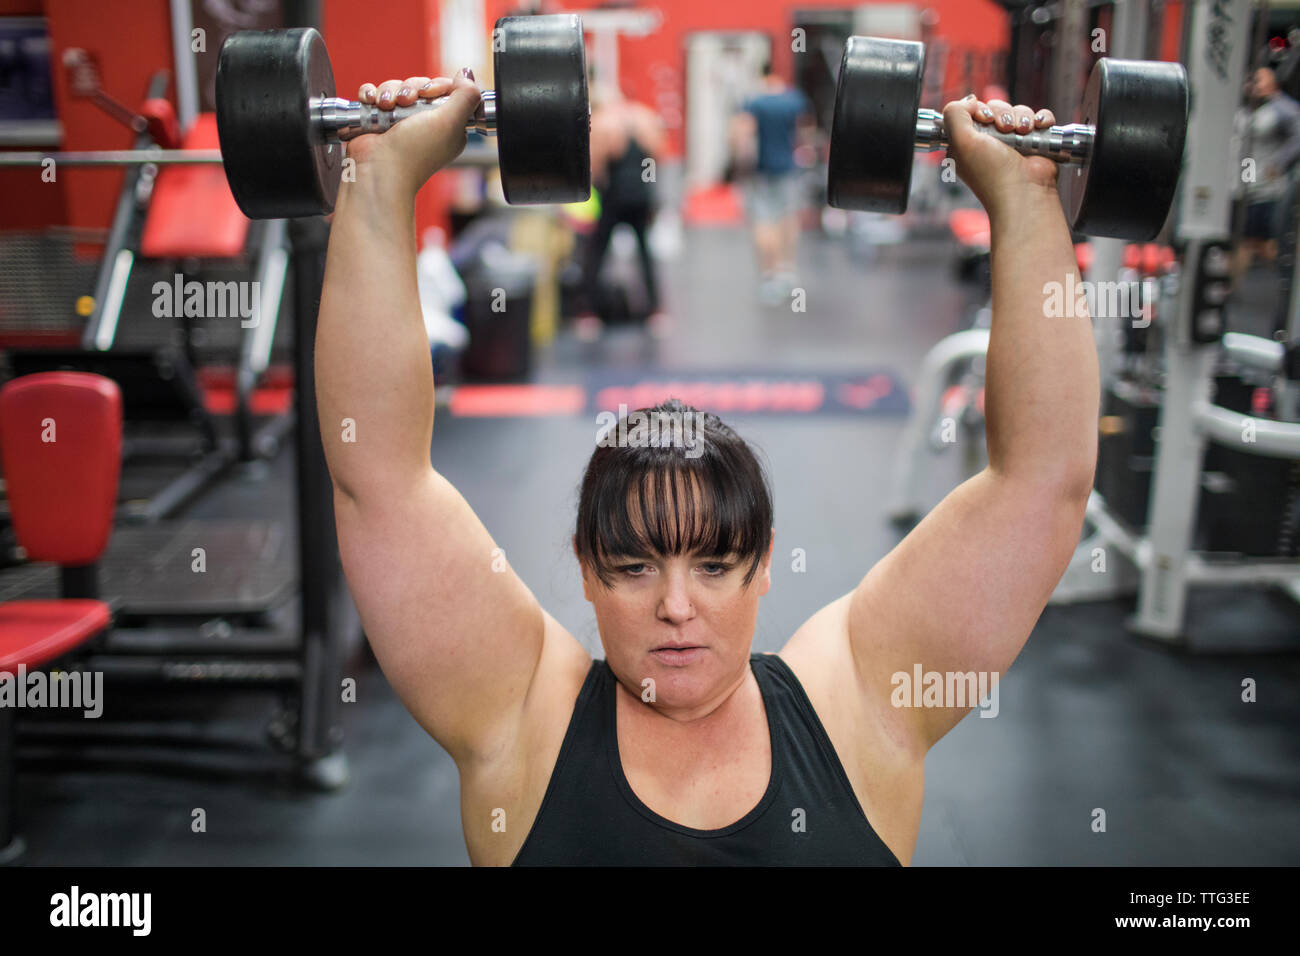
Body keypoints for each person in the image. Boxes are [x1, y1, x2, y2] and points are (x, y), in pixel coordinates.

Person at [320, 71, 1098, 865]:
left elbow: (1043, 483)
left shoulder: (862, 702)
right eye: (634, 566)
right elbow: (377, 478)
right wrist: (378, 178)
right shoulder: (520, 718)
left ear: (762, 566)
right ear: (586, 571)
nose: (677, 607)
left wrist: (1026, 195)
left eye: (716, 563)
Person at [572, 84, 668, 342]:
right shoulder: (646, 117)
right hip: (641, 195)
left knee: (597, 252)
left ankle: (588, 313)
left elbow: (597, 165)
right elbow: (657, 155)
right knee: (645, 252)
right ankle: (655, 311)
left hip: (614, 196)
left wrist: (598, 192)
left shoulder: (604, 121)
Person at [729, 62, 811, 304]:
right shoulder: (794, 99)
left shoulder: (754, 102)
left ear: (762, 76)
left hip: (761, 171)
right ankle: (787, 269)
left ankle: (770, 276)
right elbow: (804, 132)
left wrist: (740, 167)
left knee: (764, 222)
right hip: (788, 168)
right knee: (787, 217)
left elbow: (742, 136)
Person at [1232, 66, 1300, 280]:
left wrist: (1280, 164)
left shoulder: (1280, 109)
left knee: (1263, 243)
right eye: (1254, 81)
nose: (1256, 85)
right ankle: (1229, 290)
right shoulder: (1247, 109)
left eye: (1261, 81)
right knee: (1243, 240)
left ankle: (1288, 281)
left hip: (1267, 189)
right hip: (1246, 181)